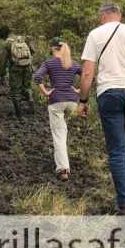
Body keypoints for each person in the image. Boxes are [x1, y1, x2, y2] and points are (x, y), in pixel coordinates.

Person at [77, 2, 125, 215]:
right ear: (120, 15)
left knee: (117, 149)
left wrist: (83, 100)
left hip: (109, 93)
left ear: (102, 16)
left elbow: (88, 73)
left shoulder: (95, 35)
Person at [34, 38, 86, 179]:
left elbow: (37, 77)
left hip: (56, 101)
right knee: (61, 129)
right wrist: (79, 90)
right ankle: (62, 160)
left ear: (53, 49)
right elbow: (90, 77)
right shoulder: (73, 63)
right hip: (72, 102)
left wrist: (46, 92)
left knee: (58, 135)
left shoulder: (49, 63)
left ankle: (63, 169)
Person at [0, 26, 38, 119]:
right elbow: (33, 50)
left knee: (16, 91)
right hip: (27, 66)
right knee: (27, 86)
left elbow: (3, 61)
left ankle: (18, 115)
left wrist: (2, 74)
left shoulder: (6, 43)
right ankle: (30, 99)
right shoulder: (22, 38)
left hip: (15, 68)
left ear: (4, 35)